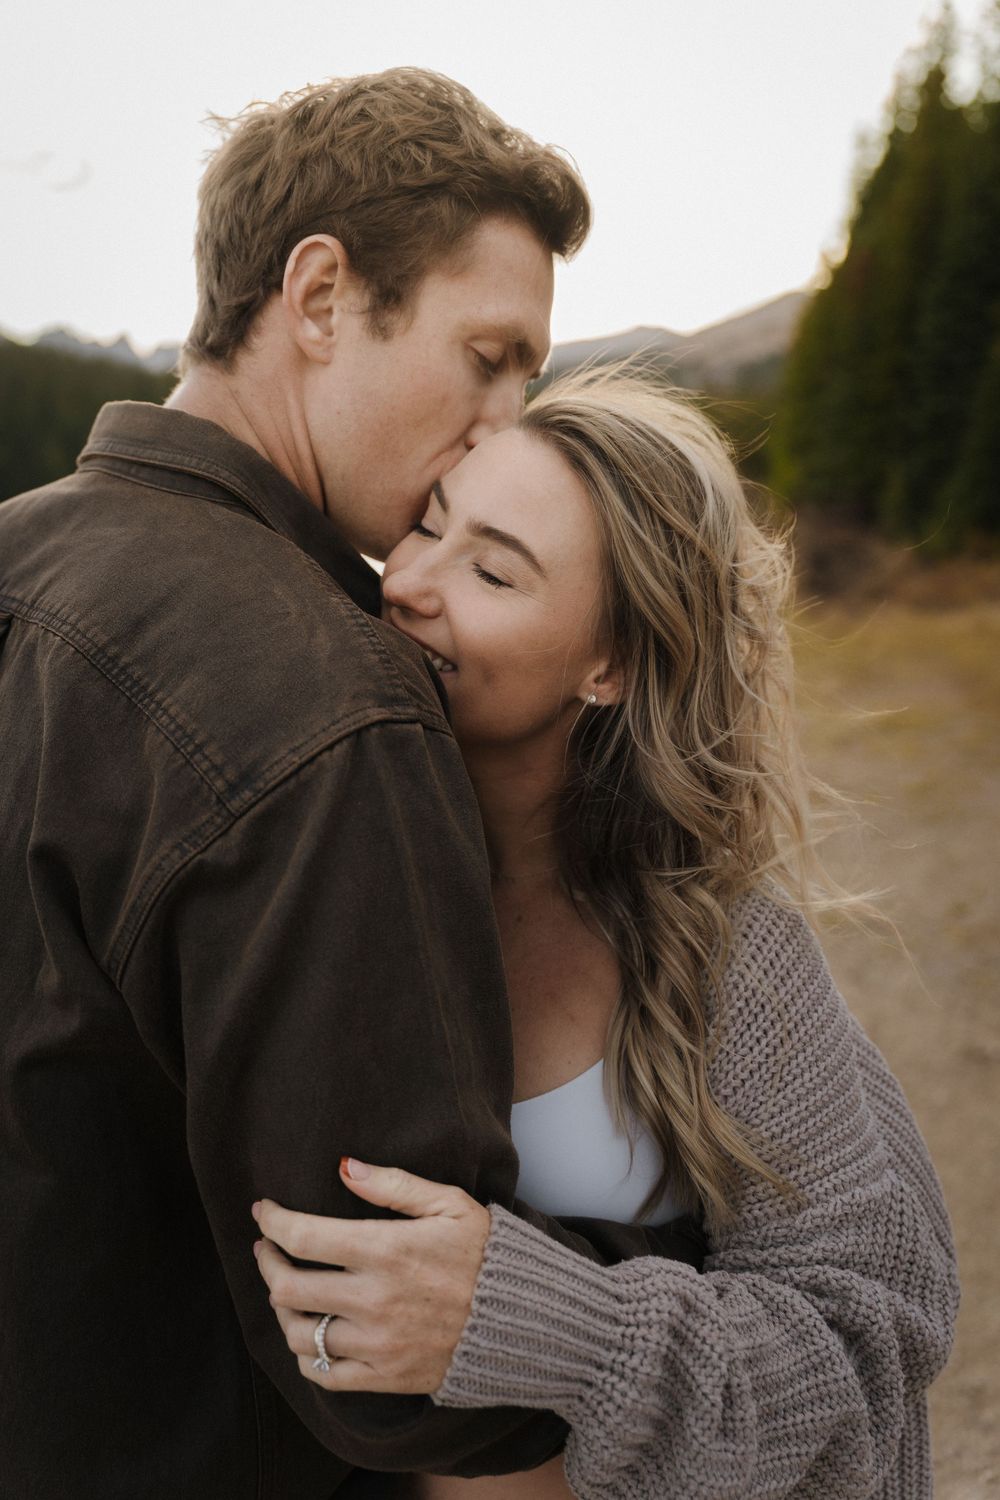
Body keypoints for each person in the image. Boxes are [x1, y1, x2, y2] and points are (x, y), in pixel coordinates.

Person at [0, 72, 703, 1500]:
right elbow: (396, 1356)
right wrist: (703, 1287)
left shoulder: (18, 555)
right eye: (491, 355)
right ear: (318, 298)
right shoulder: (331, 701)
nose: (510, 422)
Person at [253, 370, 960, 1499]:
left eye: (492, 569)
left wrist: (544, 1320)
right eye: (425, 527)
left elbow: (862, 1349)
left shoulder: (723, 959)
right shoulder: (311, 884)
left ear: (611, 664)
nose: (412, 588)